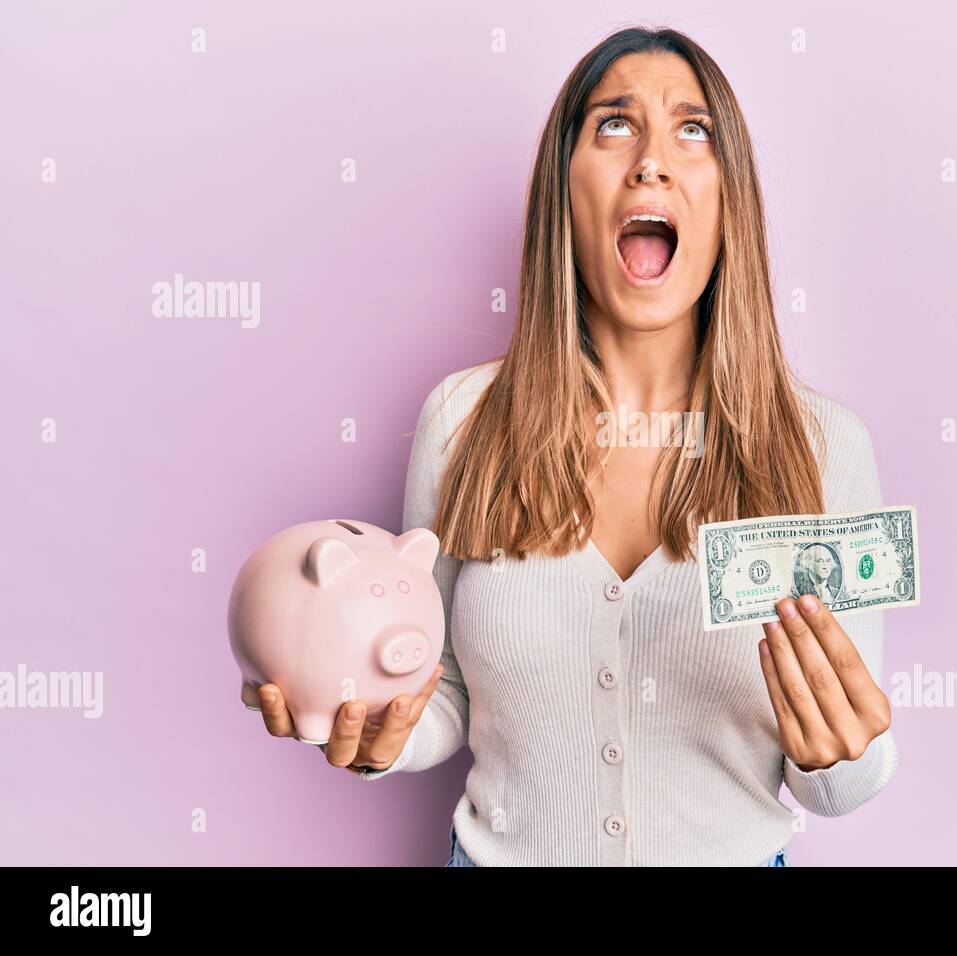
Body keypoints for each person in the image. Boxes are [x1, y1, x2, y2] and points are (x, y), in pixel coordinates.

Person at [247, 25, 898, 867]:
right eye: (614, 125)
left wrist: (838, 752)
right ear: (565, 190)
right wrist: (379, 736)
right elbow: (440, 689)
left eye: (692, 130)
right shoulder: (463, 419)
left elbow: (841, 785)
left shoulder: (823, 447)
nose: (651, 161)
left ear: (730, 196)